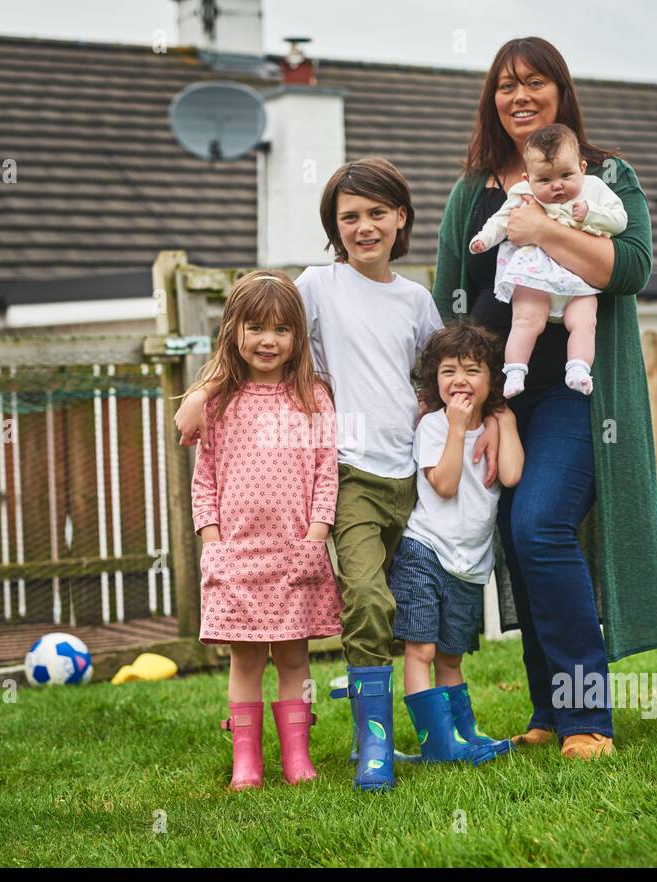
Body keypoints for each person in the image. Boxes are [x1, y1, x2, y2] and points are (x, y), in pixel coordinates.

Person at [177, 157, 502, 791]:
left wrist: (500, 420)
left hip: (409, 476)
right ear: (334, 226)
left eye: (377, 213)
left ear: (401, 218)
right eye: (349, 217)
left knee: (414, 607)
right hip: (348, 475)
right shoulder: (318, 286)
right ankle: (373, 748)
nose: (364, 226)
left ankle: (426, 734)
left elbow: (451, 375)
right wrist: (203, 391)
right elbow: (263, 330)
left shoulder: (415, 300)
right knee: (368, 599)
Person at [433, 37, 657, 761]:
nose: (519, 96)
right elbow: (454, 299)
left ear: (560, 92)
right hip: (506, 394)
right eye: (506, 85)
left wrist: (543, 229)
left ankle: (588, 717)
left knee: (542, 523)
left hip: (582, 391)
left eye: (535, 82)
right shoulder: (474, 191)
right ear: (493, 100)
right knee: (519, 535)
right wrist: (465, 401)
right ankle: (547, 705)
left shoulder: (604, 175)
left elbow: (631, 268)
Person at [186, 269, 342, 790]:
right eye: (255, 328)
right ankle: (246, 763)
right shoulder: (217, 402)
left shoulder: (314, 398)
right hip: (236, 556)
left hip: (295, 552)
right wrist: (213, 544)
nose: (268, 341)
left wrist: (315, 538)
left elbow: (326, 473)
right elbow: (203, 478)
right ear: (234, 331)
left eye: (281, 330)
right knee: (246, 656)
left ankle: (298, 759)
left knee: (295, 657)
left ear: (298, 336)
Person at [389, 324, 522, 764]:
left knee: (450, 656)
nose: (459, 380)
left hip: (469, 563)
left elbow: (511, 475)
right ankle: (438, 745)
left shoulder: (495, 424)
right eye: (448, 371)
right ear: (435, 380)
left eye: (472, 370)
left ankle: (463, 734)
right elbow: (444, 484)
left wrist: (505, 418)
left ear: (492, 381)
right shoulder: (431, 425)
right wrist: (456, 427)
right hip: (424, 552)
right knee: (421, 649)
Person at [470, 123, 628, 398]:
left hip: (578, 275)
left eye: (566, 175)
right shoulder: (523, 194)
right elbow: (502, 220)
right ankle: (515, 370)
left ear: (582, 167)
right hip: (535, 272)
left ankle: (578, 369)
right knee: (526, 320)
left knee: (584, 321)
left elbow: (619, 220)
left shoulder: (595, 190)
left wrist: (590, 213)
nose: (557, 186)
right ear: (527, 178)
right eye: (545, 180)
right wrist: (485, 238)